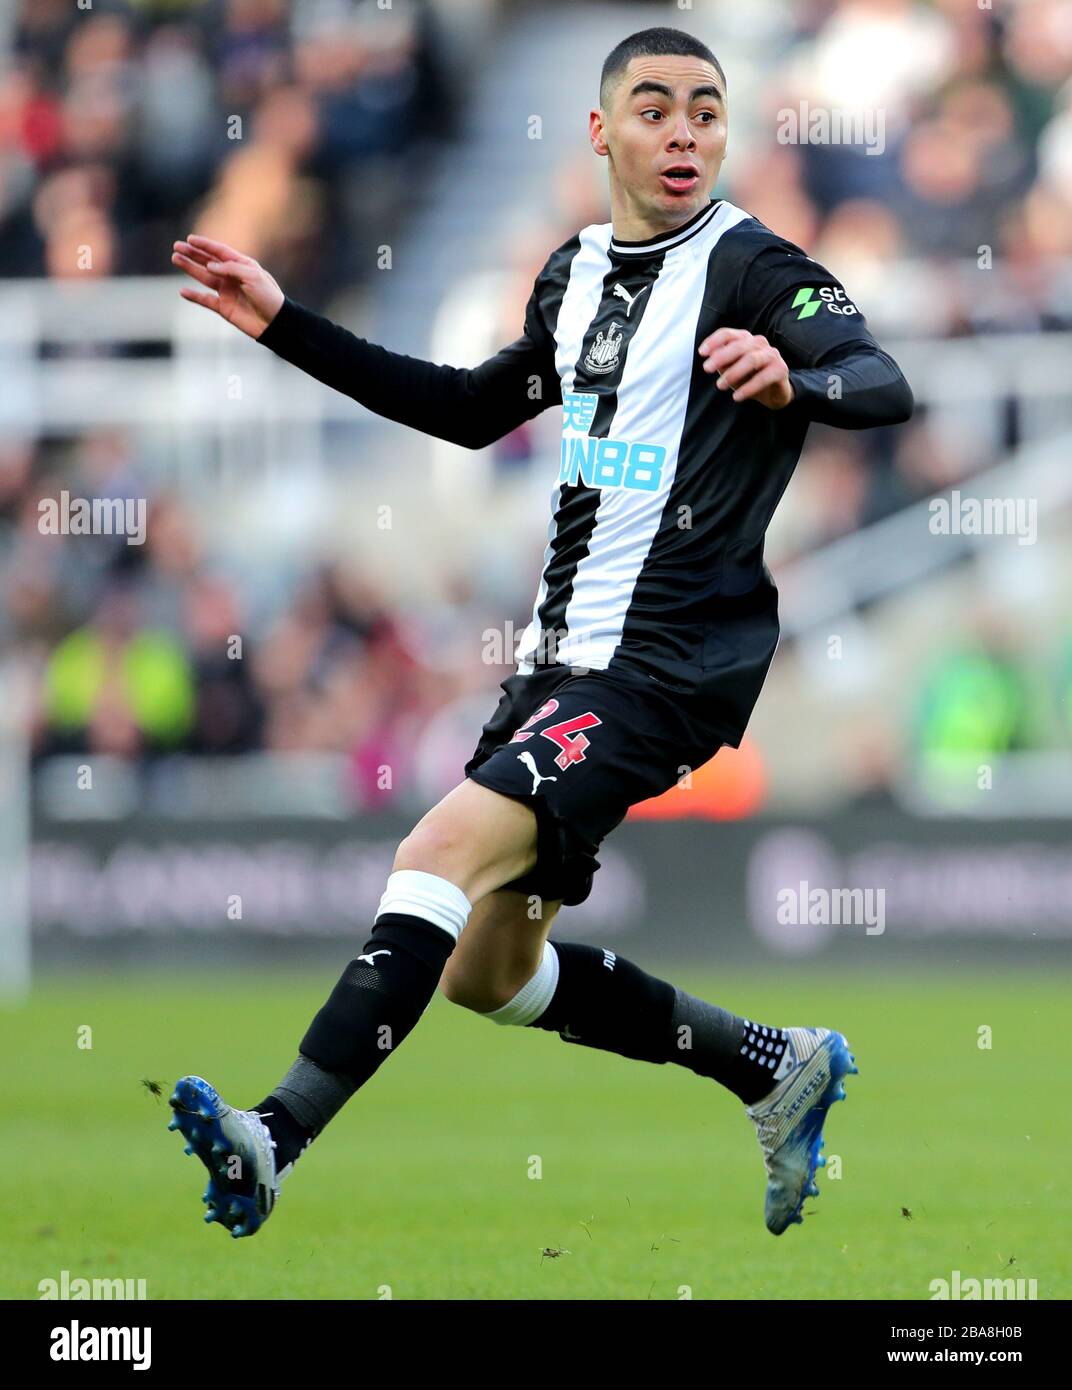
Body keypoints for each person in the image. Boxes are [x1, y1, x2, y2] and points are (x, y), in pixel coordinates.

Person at [167, 26, 908, 1241]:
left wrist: (797, 380)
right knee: (486, 971)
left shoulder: (754, 266)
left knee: (437, 849)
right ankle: (773, 1065)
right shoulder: (571, 275)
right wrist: (284, 323)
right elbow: (468, 410)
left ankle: (274, 1133)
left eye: (707, 112)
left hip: (670, 660)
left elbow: (881, 380)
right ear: (601, 131)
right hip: (561, 660)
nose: (684, 132)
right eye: (657, 109)